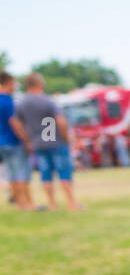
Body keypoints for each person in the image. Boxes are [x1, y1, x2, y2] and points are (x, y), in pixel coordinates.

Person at [13, 73, 82, 211]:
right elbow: (61, 122)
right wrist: (66, 139)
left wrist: (27, 140)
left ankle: (52, 204)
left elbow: (16, 123)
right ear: (39, 83)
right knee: (64, 172)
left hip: (37, 144)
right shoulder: (48, 101)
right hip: (55, 142)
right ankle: (72, 203)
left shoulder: (21, 103)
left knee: (45, 175)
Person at [0, 71, 35, 210]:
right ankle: (28, 204)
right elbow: (15, 123)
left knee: (12, 174)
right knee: (22, 173)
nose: (15, 86)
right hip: (14, 142)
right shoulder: (7, 101)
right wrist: (26, 140)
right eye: (14, 83)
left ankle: (20, 203)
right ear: (8, 83)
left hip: (2, 143)